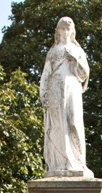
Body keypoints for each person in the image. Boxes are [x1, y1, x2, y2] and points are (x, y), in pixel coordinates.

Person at [40, 17, 91, 177]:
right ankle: (59, 163)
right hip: (55, 89)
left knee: (73, 121)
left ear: (72, 31)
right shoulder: (53, 51)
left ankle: (78, 162)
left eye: (68, 29)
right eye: (62, 28)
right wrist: (43, 93)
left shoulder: (78, 51)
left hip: (72, 88)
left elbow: (84, 75)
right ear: (58, 31)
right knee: (58, 125)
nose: (65, 32)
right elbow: (46, 74)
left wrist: (75, 60)